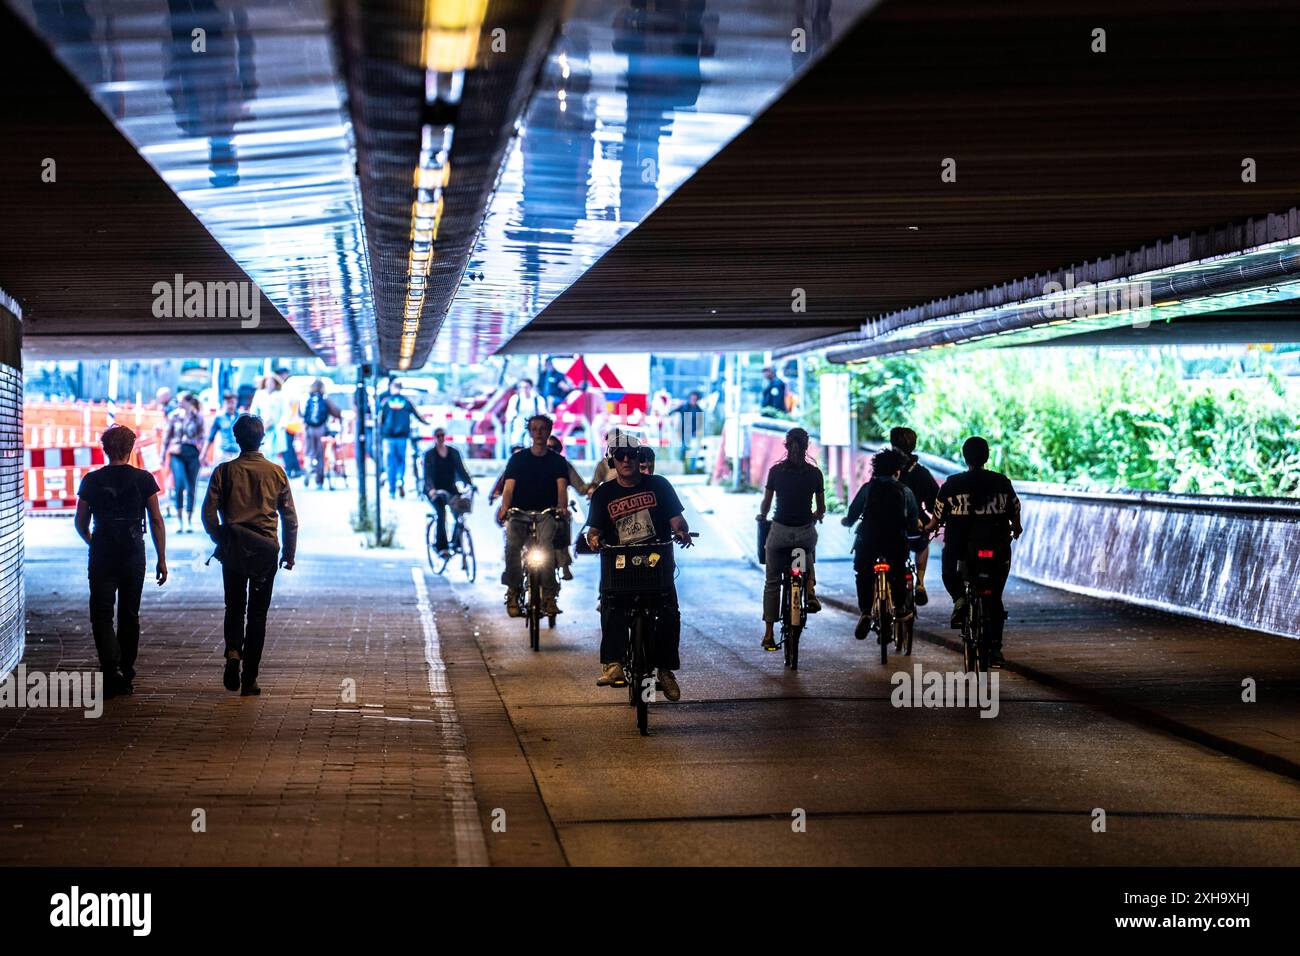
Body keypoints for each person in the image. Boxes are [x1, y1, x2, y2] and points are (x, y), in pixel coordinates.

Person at [585, 430, 693, 701]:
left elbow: (677, 519)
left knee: (668, 611)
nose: (626, 461)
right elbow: (593, 530)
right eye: (620, 456)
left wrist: (681, 531)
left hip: (656, 564)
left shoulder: (659, 485)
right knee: (611, 607)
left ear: (638, 457)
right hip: (619, 566)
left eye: (631, 455)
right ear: (612, 461)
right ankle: (614, 663)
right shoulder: (603, 494)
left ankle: (665, 669)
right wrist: (594, 539)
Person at [201, 415, 299, 696]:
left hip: (234, 548)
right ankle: (249, 679)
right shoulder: (277, 472)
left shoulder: (224, 471)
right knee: (258, 613)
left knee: (234, 606)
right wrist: (289, 554)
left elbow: (208, 513)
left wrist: (220, 536)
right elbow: (290, 518)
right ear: (262, 439)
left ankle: (233, 650)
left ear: (236, 438)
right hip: (265, 551)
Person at [74, 425, 168, 698]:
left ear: (105, 449)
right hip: (132, 550)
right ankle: (126, 671)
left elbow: (80, 522)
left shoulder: (91, 480)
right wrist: (161, 558)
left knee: (101, 614)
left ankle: (109, 668)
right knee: (129, 614)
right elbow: (156, 520)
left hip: (103, 549)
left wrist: (93, 541)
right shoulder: (144, 479)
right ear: (131, 448)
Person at [924, 436, 1022, 666]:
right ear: (987, 456)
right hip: (997, 546)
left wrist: (928, 528)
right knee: (995, 596)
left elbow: (937, 517)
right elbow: (1015, 509)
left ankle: (959, 601)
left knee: (949, 571)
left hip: (960, 545)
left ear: (965, 457)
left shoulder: (951, 484)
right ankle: (995, 647)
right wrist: (1016, 528)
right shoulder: (1002, 482)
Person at [756, 427, 825, 650]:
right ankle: (811, 591)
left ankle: (768, 634)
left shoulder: (776, 471)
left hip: (779, 533)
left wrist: (762, 516)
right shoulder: (815, 474)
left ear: (786, 445)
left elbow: (766, 503)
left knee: (772, 582)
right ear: (807, 447)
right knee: (807, 551)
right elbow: (821, 508)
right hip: (804, 532)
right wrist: (816, 515)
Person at [843, 449, 921, 643]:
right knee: (899, 571)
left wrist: (847, 521)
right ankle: (901, 607)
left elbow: (853, 513)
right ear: (897, 471)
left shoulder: (868, 488)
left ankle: (866, 612)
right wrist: (916, 528)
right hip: (895, 541)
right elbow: (913, 520)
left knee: (863, 573)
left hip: (869, 540)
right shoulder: (904, 490)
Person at [496, 415, 568, 617]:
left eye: (543, 428)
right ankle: (513, 591)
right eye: (534, 429)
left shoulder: (557, 461)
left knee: (546, 549)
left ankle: (549, 597)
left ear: (549, 431)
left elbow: (561, 488)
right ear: (529, 432)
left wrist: (562, 507)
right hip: (520, 513)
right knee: (512, 547)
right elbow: (508, 489)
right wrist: (505, 508)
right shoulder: (518, 460)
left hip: (546, 514)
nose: (538, 433)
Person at [889, 426, 940, 606]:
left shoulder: (884, 468)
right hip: (914, 529)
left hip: (888, 530)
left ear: (893, 444)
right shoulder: (921, 472)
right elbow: (936, 501)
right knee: (921, 546)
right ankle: (920, 582)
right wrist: (934, 522)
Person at [424, 427, 475, 557]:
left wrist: (470, 484)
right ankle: (441, 547)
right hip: (435, 490)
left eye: (442, 435)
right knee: (441, 513)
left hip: (450, 488)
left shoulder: (453, 452)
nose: (440, 438)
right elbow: (427, 475)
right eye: (438, 436)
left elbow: (461, 470)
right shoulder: (430, 455)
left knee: (459, 512)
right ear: (434, 438)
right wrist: (432, 490)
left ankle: (456, 543)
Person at [162, 391, 205, 533]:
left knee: (191, 486)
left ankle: (189, 520)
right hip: (177, 453)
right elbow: (166, 437)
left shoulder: (197, 416)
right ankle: (179, 520)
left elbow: (202, 436)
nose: (178, 402)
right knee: (179, 484)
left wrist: (202, 454)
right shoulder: (173, 416)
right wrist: (163, 456)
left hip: (192, 453)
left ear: (188, 402)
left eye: (180, 400)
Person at [379, 378, 428, 498]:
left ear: (391, 388)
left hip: (388, 437)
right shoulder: (407, 402)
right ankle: (400, 479)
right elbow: (418, 416)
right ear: (401, 389)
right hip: (402, 437)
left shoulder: (385, 402)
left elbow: (380, 419)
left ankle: (391, 490)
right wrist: (427, 423)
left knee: (390, 463)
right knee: (401, 460)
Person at [547, 435, 588, 580]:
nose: (549, 451)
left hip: (555, 511)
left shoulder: (564, 465)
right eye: (547, 447)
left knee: (562, 522)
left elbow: (581, 487)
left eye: (553, 448)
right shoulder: (527, 462)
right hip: (531, 511)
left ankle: (565, 565)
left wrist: (593, 490)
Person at [301, 379, 343, 489]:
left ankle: (309, 468)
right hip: (321, 429)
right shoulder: (325, 398)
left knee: (309, 452)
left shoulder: (307, 398)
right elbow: (336, 412)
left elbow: (302, 413)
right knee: (320, 455)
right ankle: (319, 481)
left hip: (309, 429)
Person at [249, 374, 288, 471]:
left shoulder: (281, 395)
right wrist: (257, 424)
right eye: (268, 382)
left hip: (276, 428)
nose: (270, 384)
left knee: (275, 453)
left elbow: (286, 412)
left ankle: (274, 473)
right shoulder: (259, 394)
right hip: (262, 427)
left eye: (272, 382)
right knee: (263, 450)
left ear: (275, 384)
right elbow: (253, 411)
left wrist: (280, 425)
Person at [503, 378, 546, 455]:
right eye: (521, 387)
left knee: (529, 444)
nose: (524, 389)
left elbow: (543, 413)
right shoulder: (516, 399)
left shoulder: (537, 399)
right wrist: (511, 417)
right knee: (516, 444)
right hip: (518, 425)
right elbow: (509, 413)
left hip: (533, 426)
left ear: (531, 387)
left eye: (526, 387)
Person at [202, 391, 242, 466]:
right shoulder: (219, 417)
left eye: (232, 402)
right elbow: (210, 437)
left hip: (238, 454)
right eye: (228, 402)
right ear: (224, 403)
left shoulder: (242, 417)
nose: (231, 405)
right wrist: (203, 454)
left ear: (236, 402)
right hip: (224, 454)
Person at [670, 391, 705, 471]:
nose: (693, 400)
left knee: (694, 451)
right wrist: (668, 415)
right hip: (684, 431)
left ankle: (692, 468)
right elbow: (673, 411)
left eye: (695, 399)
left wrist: (698, 430)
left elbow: (700, 421)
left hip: (694, 432)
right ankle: (682, 466)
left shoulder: (698, 409)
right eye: (692, 398)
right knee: (683, 448)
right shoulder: (684, 406)